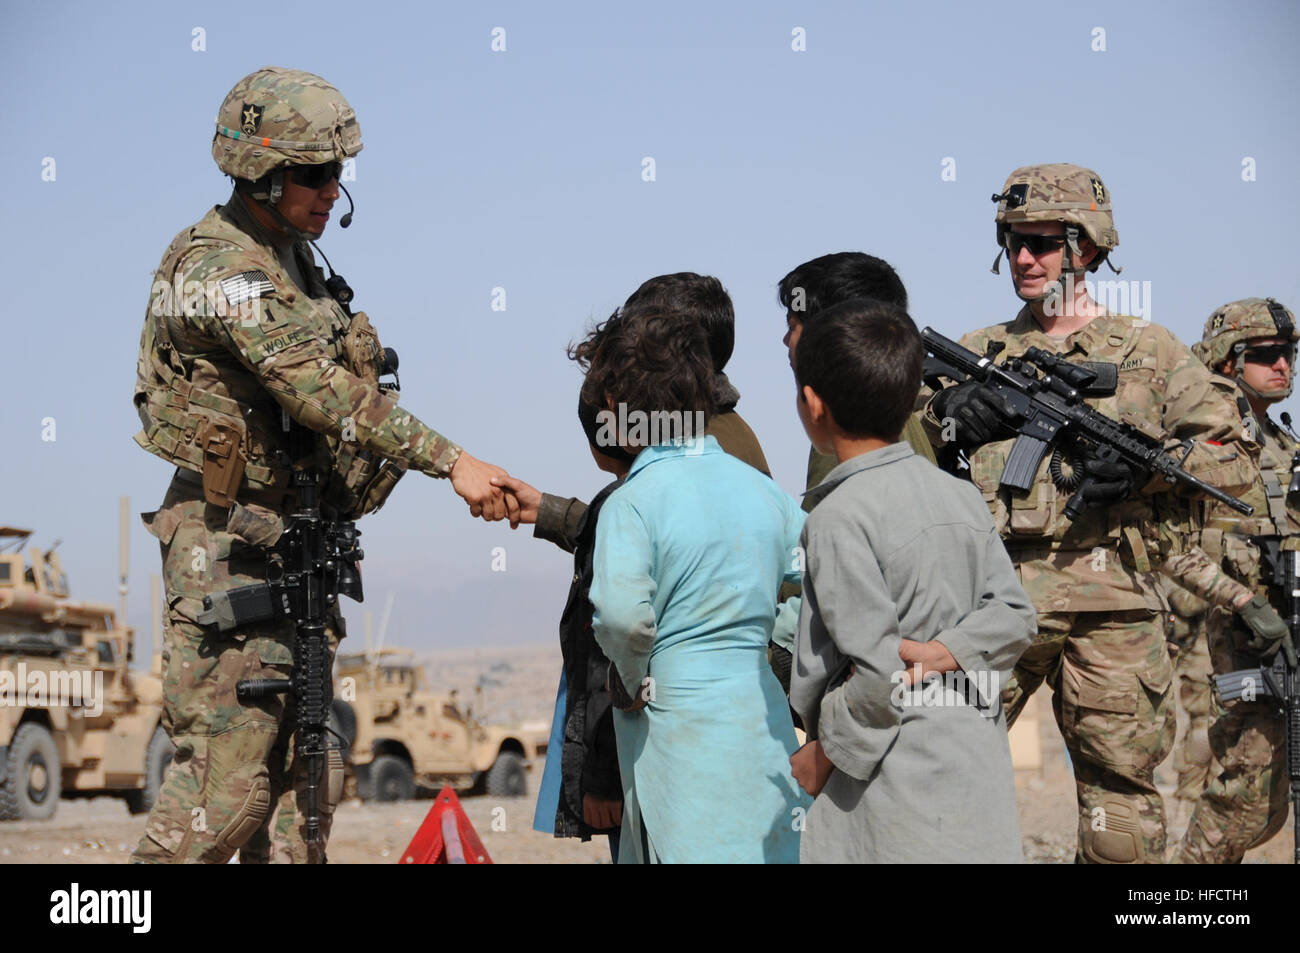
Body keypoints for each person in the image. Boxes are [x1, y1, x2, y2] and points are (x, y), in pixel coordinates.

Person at [130, 67, 514, 863]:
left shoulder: (301, 261)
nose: (333, 190)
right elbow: (314, 389)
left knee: (305, 781)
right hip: (224, 544)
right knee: (222, 791)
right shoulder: (216, 268)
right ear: (259, 173)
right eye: (313, 173)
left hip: (296, 539)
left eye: (339, 172)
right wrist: (453, 461)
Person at [918, 163, 1255, 863]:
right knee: (931, 769)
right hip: (989, 600)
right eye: (1012, 242)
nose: (1022, 258)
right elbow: (903, 454)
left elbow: (1237, 462)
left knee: (1120, 813)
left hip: (1115, 611)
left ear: (1088, 250)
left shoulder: (1151, 353)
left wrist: (1152, 469)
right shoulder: (979, 351)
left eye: (1040, 242)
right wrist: (949, 420)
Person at [788, 298, 1034, 863]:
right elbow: (1016, 616)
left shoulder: (838, 516)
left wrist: (827, 755)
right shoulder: (959, 493)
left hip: (887, 785)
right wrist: (947, 651)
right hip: (971, 775)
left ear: (812, 404)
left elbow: (878, 675)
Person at [586, 307, 808, 863]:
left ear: (618, 409)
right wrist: (773, 647)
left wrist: (634, 677)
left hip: (674, 730)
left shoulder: (631, 503)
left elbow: (622, 617)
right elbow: (827, 583)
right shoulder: (764, 493)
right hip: (762, 718)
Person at [1176, 297, 1300, 863]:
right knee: (1242, 797)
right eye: (1268, 355)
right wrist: (1245, 601)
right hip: (1240, 644)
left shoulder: (1282, 445)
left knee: (1273, 801)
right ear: (1229, 363)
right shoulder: (1207, 446)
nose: (1284, 366)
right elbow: (1169, 547)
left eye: (1290, 354)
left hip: (1285, 634)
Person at [777, 252, 935, 504]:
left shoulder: (845, 431)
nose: (786, 340)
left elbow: (823, 533)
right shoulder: (891, 415)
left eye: (793, 326)